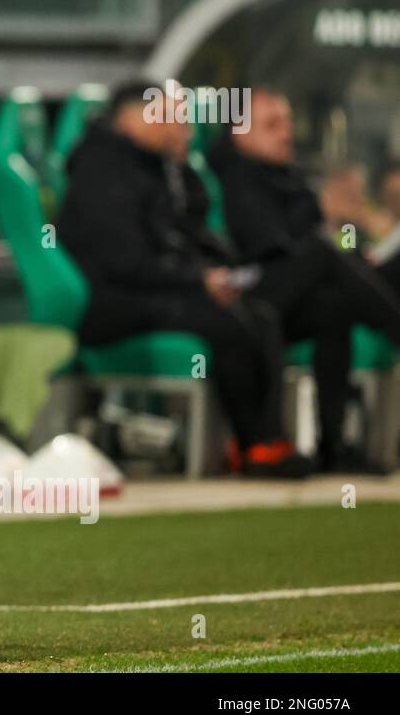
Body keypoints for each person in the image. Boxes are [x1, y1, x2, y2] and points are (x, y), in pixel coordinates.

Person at [57, 81, 306, 476]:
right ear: (134, 118)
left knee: (260, 317)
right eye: (171, 117)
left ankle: (267, 441)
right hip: (111, 305)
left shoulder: (154, 166)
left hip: (153, 290)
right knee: (226, 324)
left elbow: (182, 236)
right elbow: (124, 261)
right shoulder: (102, 169)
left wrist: (214, 274)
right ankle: (253, 446)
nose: (181, 127)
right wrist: (197, 282)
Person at [207, 87, 400, 471]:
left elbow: (322, 234)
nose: (285, 133)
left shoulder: (288, 178)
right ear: (239, 132)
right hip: (249, 293)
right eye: (272, 124)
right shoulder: (228, 177)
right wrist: (333, 238)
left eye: (287, 122)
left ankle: (333, 444)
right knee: (323, 254)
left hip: (295, 293)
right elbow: (267, 246)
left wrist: (351, 242)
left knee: (335, 304)